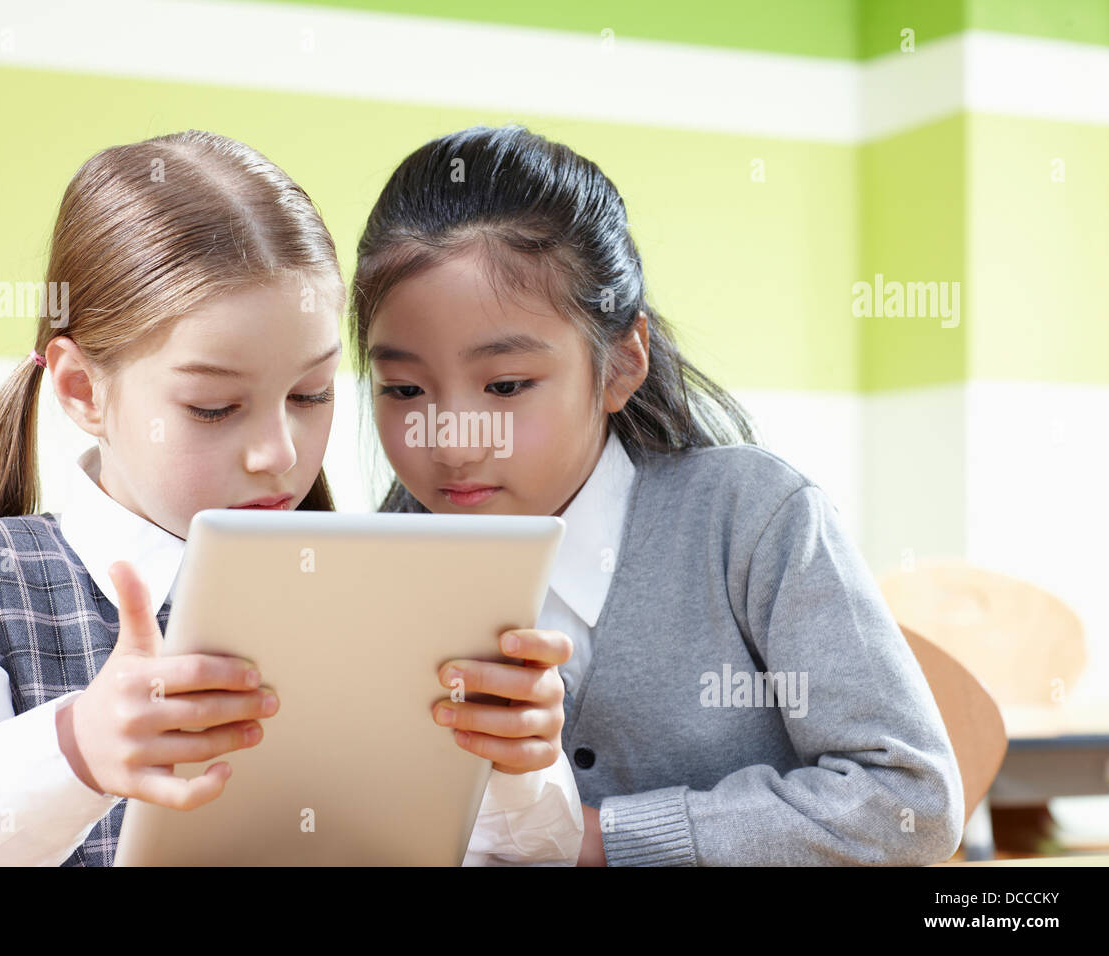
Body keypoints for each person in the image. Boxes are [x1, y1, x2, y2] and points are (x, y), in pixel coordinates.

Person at [0, 129, 582, 866]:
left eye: (311, 394)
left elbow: (530, 851)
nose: (279, 453)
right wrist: (74, 749)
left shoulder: (375, 586)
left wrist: (514, 763)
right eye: (214, 407)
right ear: (82, 390)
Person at [349, 124, 965, 865]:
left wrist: (598, 839)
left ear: (620, 363)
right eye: (405, 389)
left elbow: (910, 802)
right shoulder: (382, 558)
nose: (451, 440)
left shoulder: (750, 519)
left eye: (507, 386)